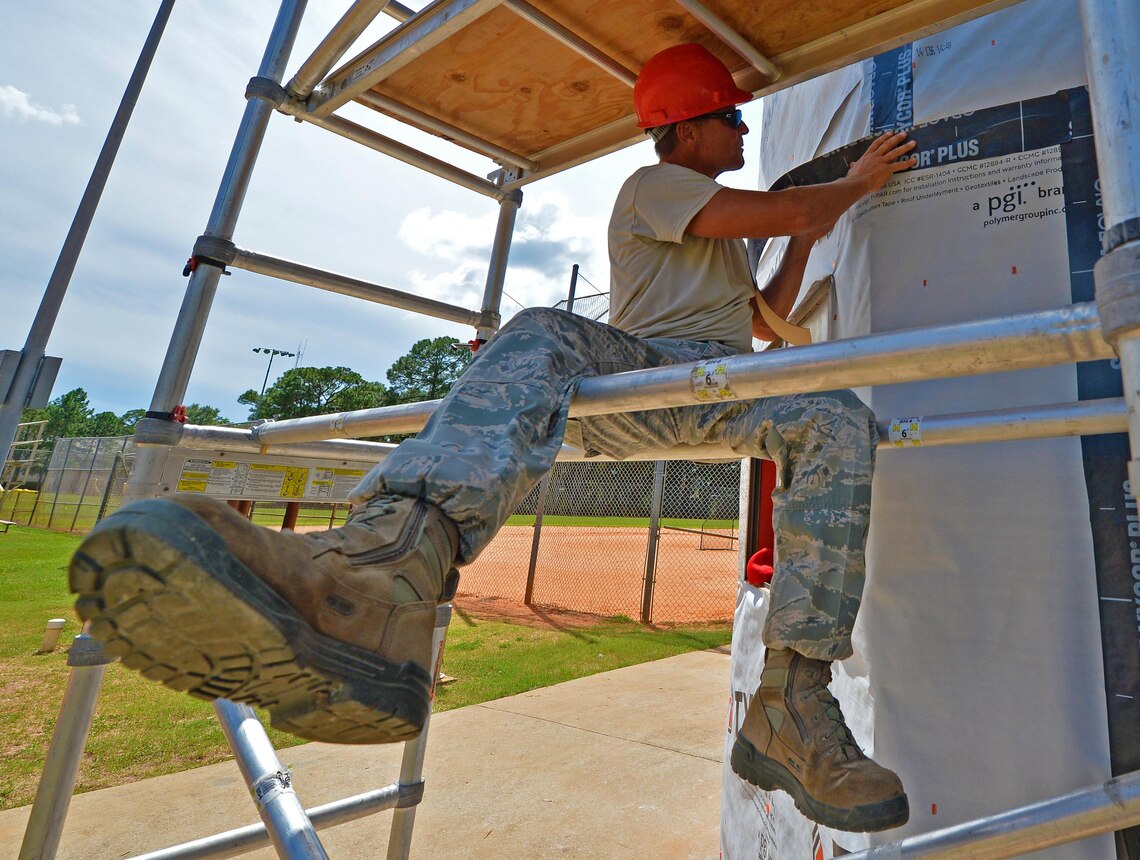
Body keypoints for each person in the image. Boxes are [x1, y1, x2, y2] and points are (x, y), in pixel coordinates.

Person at [69, 43, 916, 833]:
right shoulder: (653, 188)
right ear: (685, 131)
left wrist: (808, 234)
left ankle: (792, 705)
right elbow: (790, 204)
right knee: (546, 328)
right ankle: (388, 564)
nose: (741, 129)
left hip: (713, 386)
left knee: (835, 413)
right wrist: (853, 184)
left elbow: (767, 326)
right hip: (639, 377)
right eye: (731, 119)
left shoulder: (722, 234)